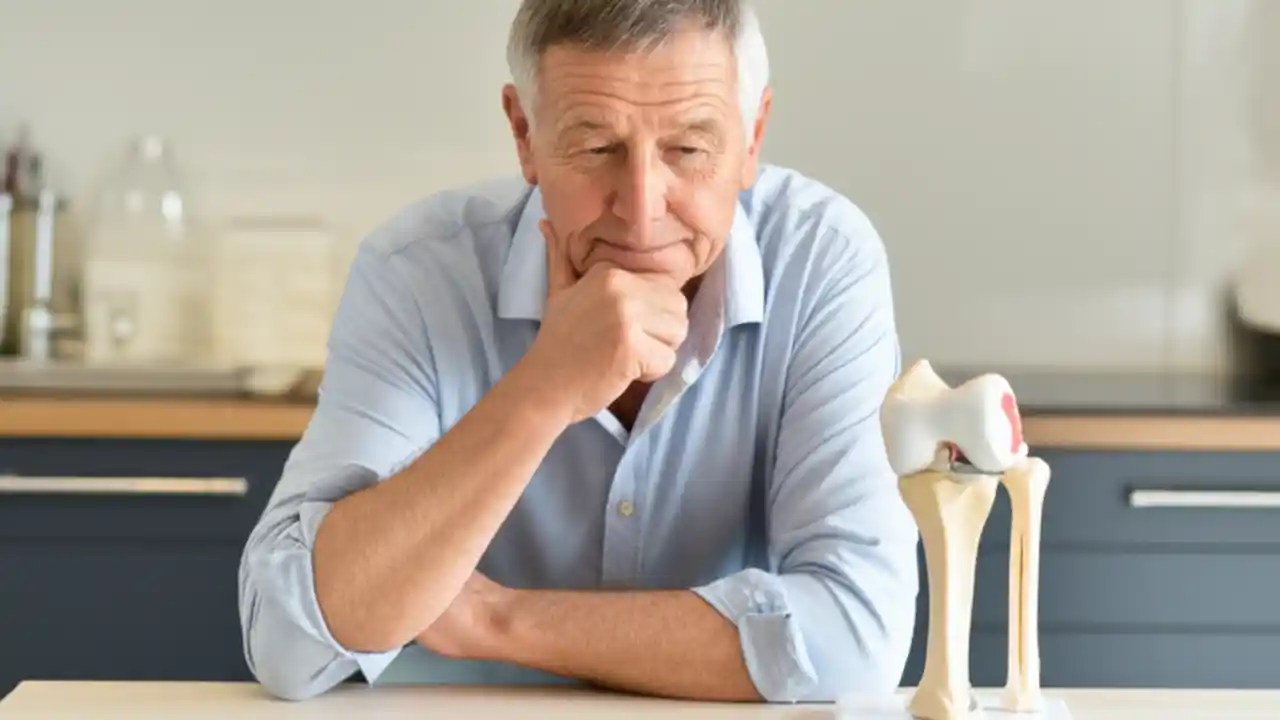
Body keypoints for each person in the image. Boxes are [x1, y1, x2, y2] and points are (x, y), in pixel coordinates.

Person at [238, 0, 919, 703]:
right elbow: (289, 642)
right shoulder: (418, 274)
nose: (643, 205)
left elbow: (855, 640)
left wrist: (493, 619)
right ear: (524, 134)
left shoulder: (820, 261)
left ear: (752, 139)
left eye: (688, 149)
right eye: (597, 149)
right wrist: (545, 389)